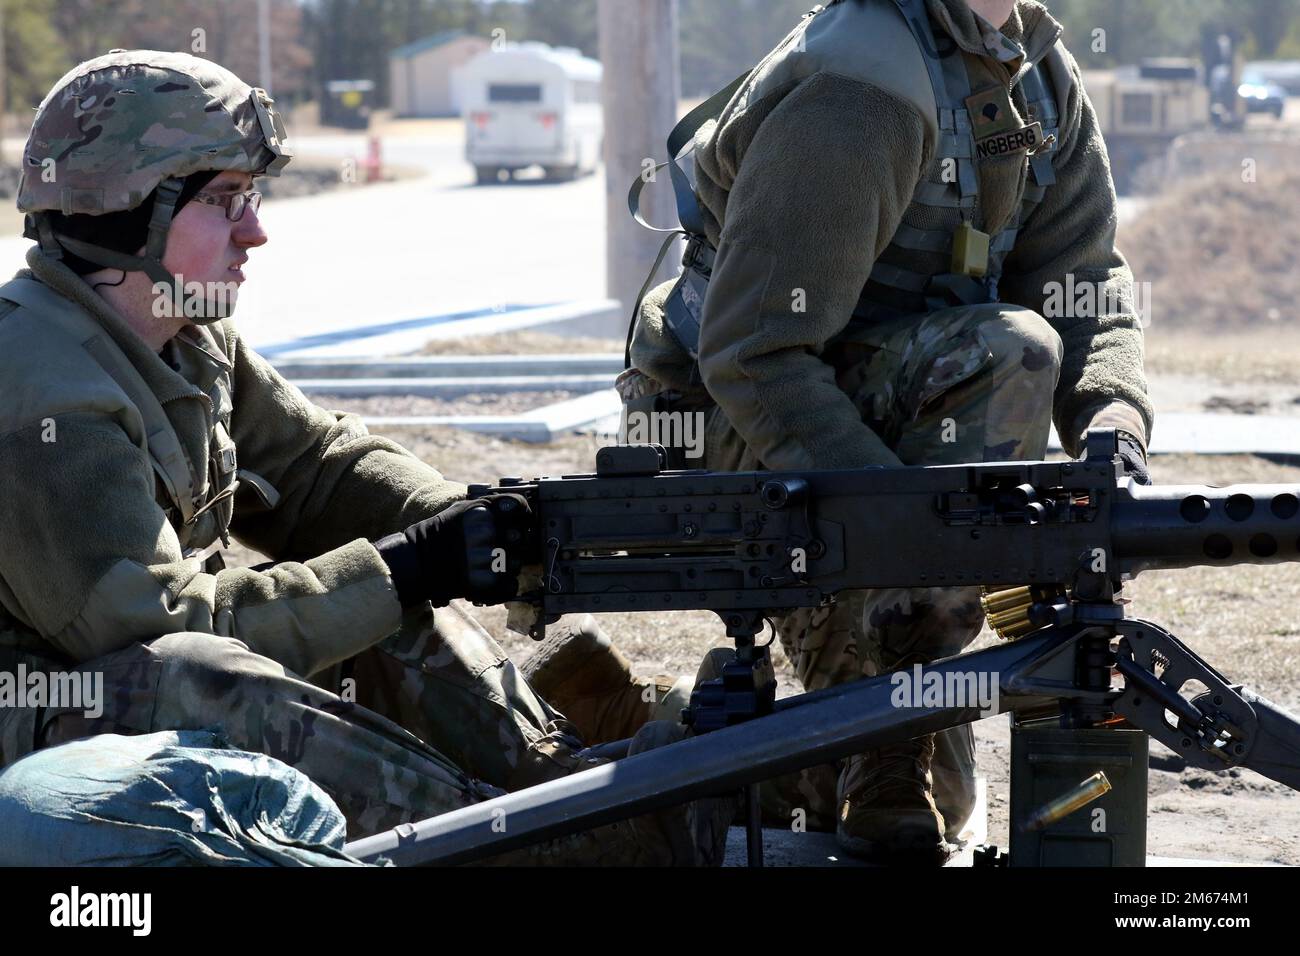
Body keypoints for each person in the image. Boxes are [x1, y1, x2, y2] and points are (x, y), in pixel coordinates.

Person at [0, 50, 727, 866]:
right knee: (207, 667)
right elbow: (157, 627)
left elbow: (320, 471)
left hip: (96, 713)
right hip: (35, 736)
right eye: (224, 201)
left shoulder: (184, 337)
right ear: (125, 214)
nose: (256, 231)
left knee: (366, 589)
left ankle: (555, 782)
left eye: (253, 197)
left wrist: (486, 527)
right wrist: (404, 568)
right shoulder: (41, 392)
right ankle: (526, 843)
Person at [555, 0, 1155, 865]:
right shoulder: (864, 86)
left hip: (877, 409)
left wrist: (1112, 431)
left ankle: (651, 719)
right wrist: (906, 538)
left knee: (939, 803)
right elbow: (756, 352)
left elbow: (1087, 287)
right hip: (741, 422)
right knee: (1011, 354)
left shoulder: (1035, 70)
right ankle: (862, 732)